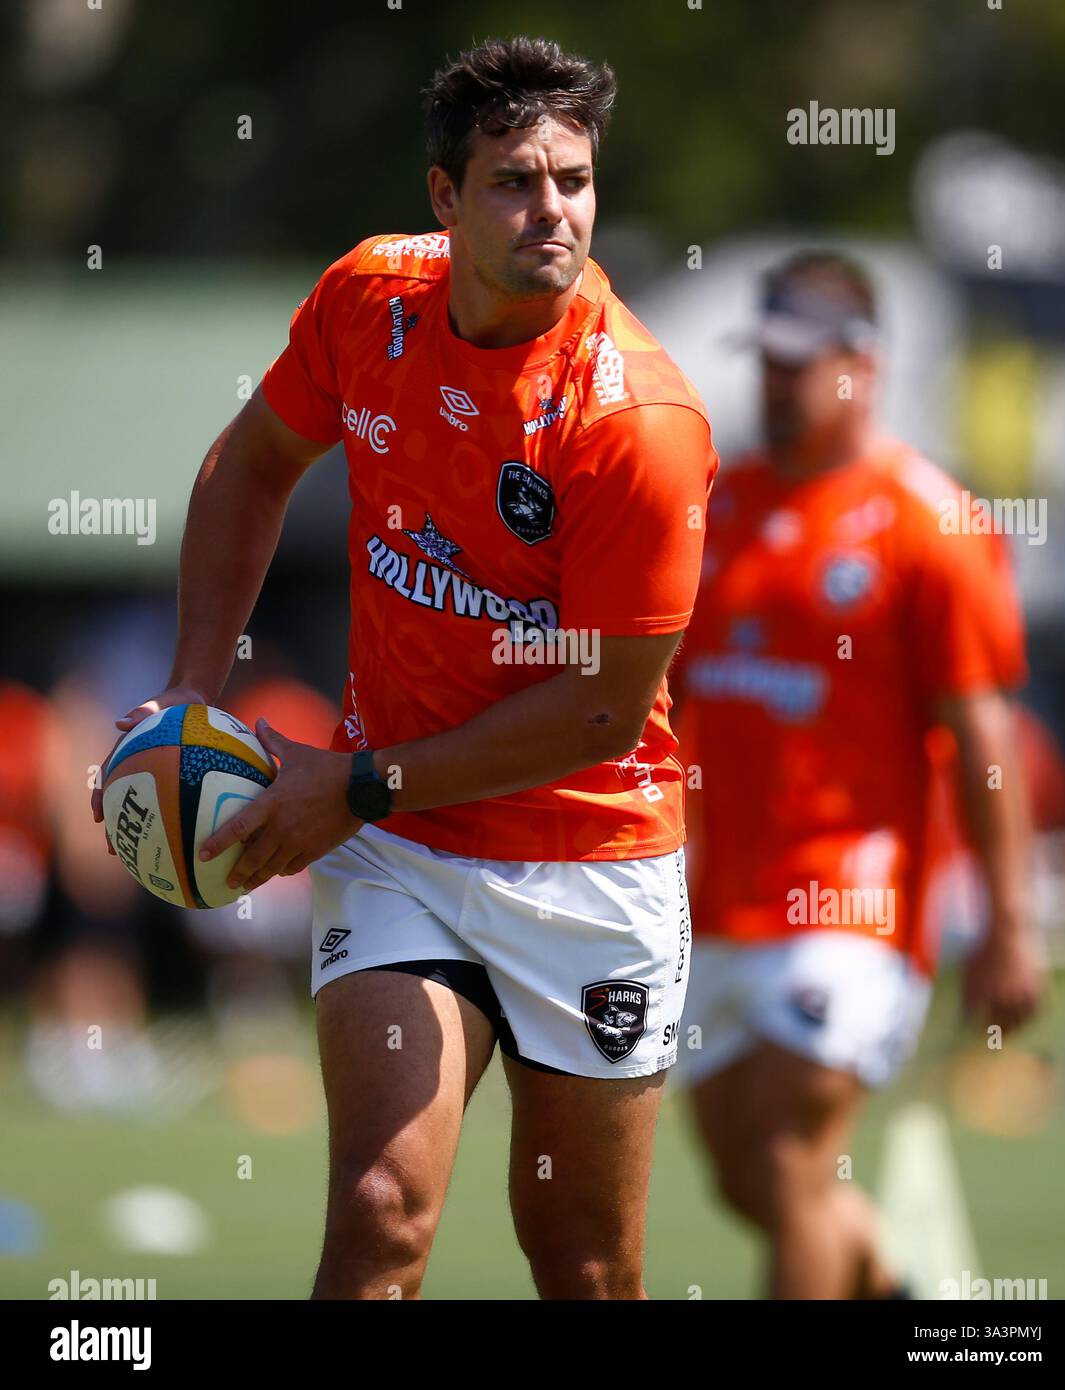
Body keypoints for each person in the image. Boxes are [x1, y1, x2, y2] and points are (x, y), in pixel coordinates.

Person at [91, 35, 718, 1299]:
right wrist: (192, 690)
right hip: (405, 855)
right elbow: (254, 460)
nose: (554, 209)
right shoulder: (368, 300)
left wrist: (355, 786)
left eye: (576, 180)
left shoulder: (636, 421)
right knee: (381, 1216)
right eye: (515, 180)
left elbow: (601, 711)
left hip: (585, 862)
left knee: (583, 1261)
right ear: (445, 196)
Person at [670, 249, 1046, 1299]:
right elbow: (665, 705)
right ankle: (888, 1277)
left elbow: (985, 739)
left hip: (854, 900)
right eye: (767, 361)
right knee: (745, 1173)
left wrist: (1011, 924)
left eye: (801, 362)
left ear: (864, 367)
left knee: (794, 1157)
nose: (777, 382)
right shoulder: (719, 507)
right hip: (718, 901)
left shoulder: (932, 521)